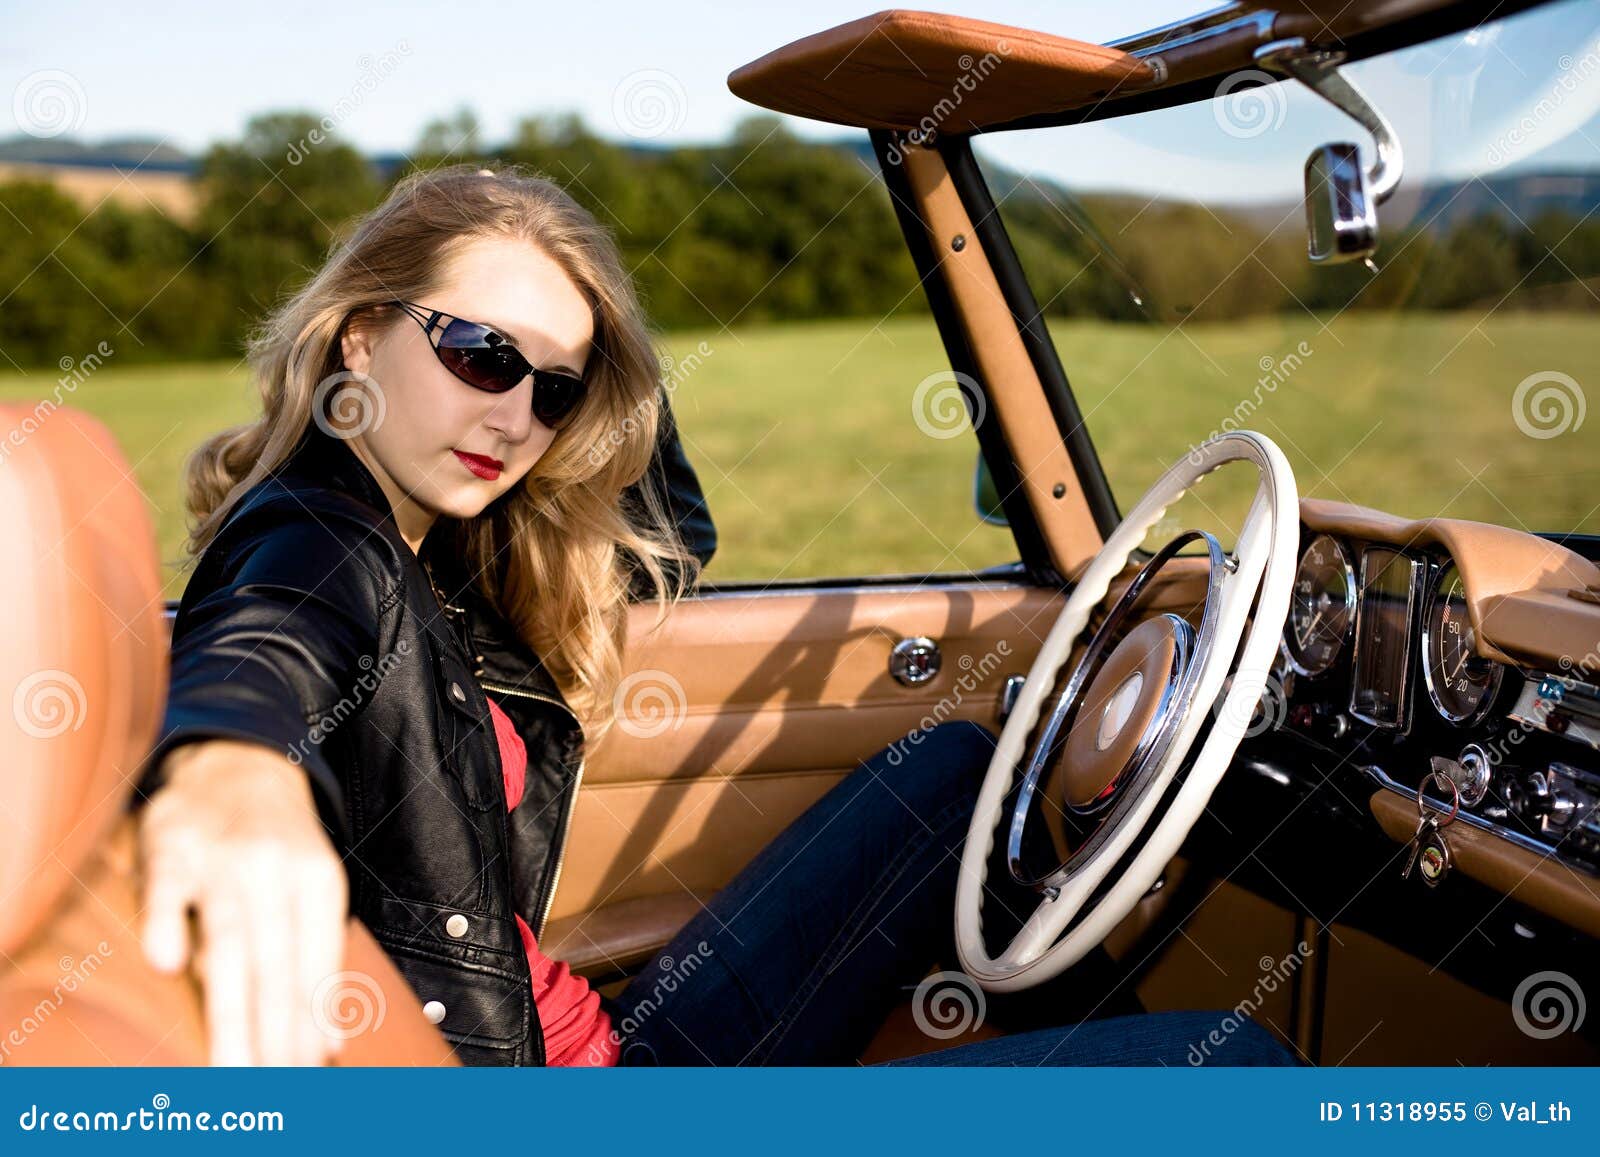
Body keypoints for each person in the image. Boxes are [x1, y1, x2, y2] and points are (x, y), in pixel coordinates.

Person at [133, 163, 1296, 1068]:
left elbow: (672, 543)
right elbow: (270, 638)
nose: (515, 417)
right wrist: (235, 771)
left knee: (950, 773)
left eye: (555, 386)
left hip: (605, 1038)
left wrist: (564, 271)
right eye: (481, 354)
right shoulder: (322, 535)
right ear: (358, 334)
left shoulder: (443, 542)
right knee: (1230, 1063)